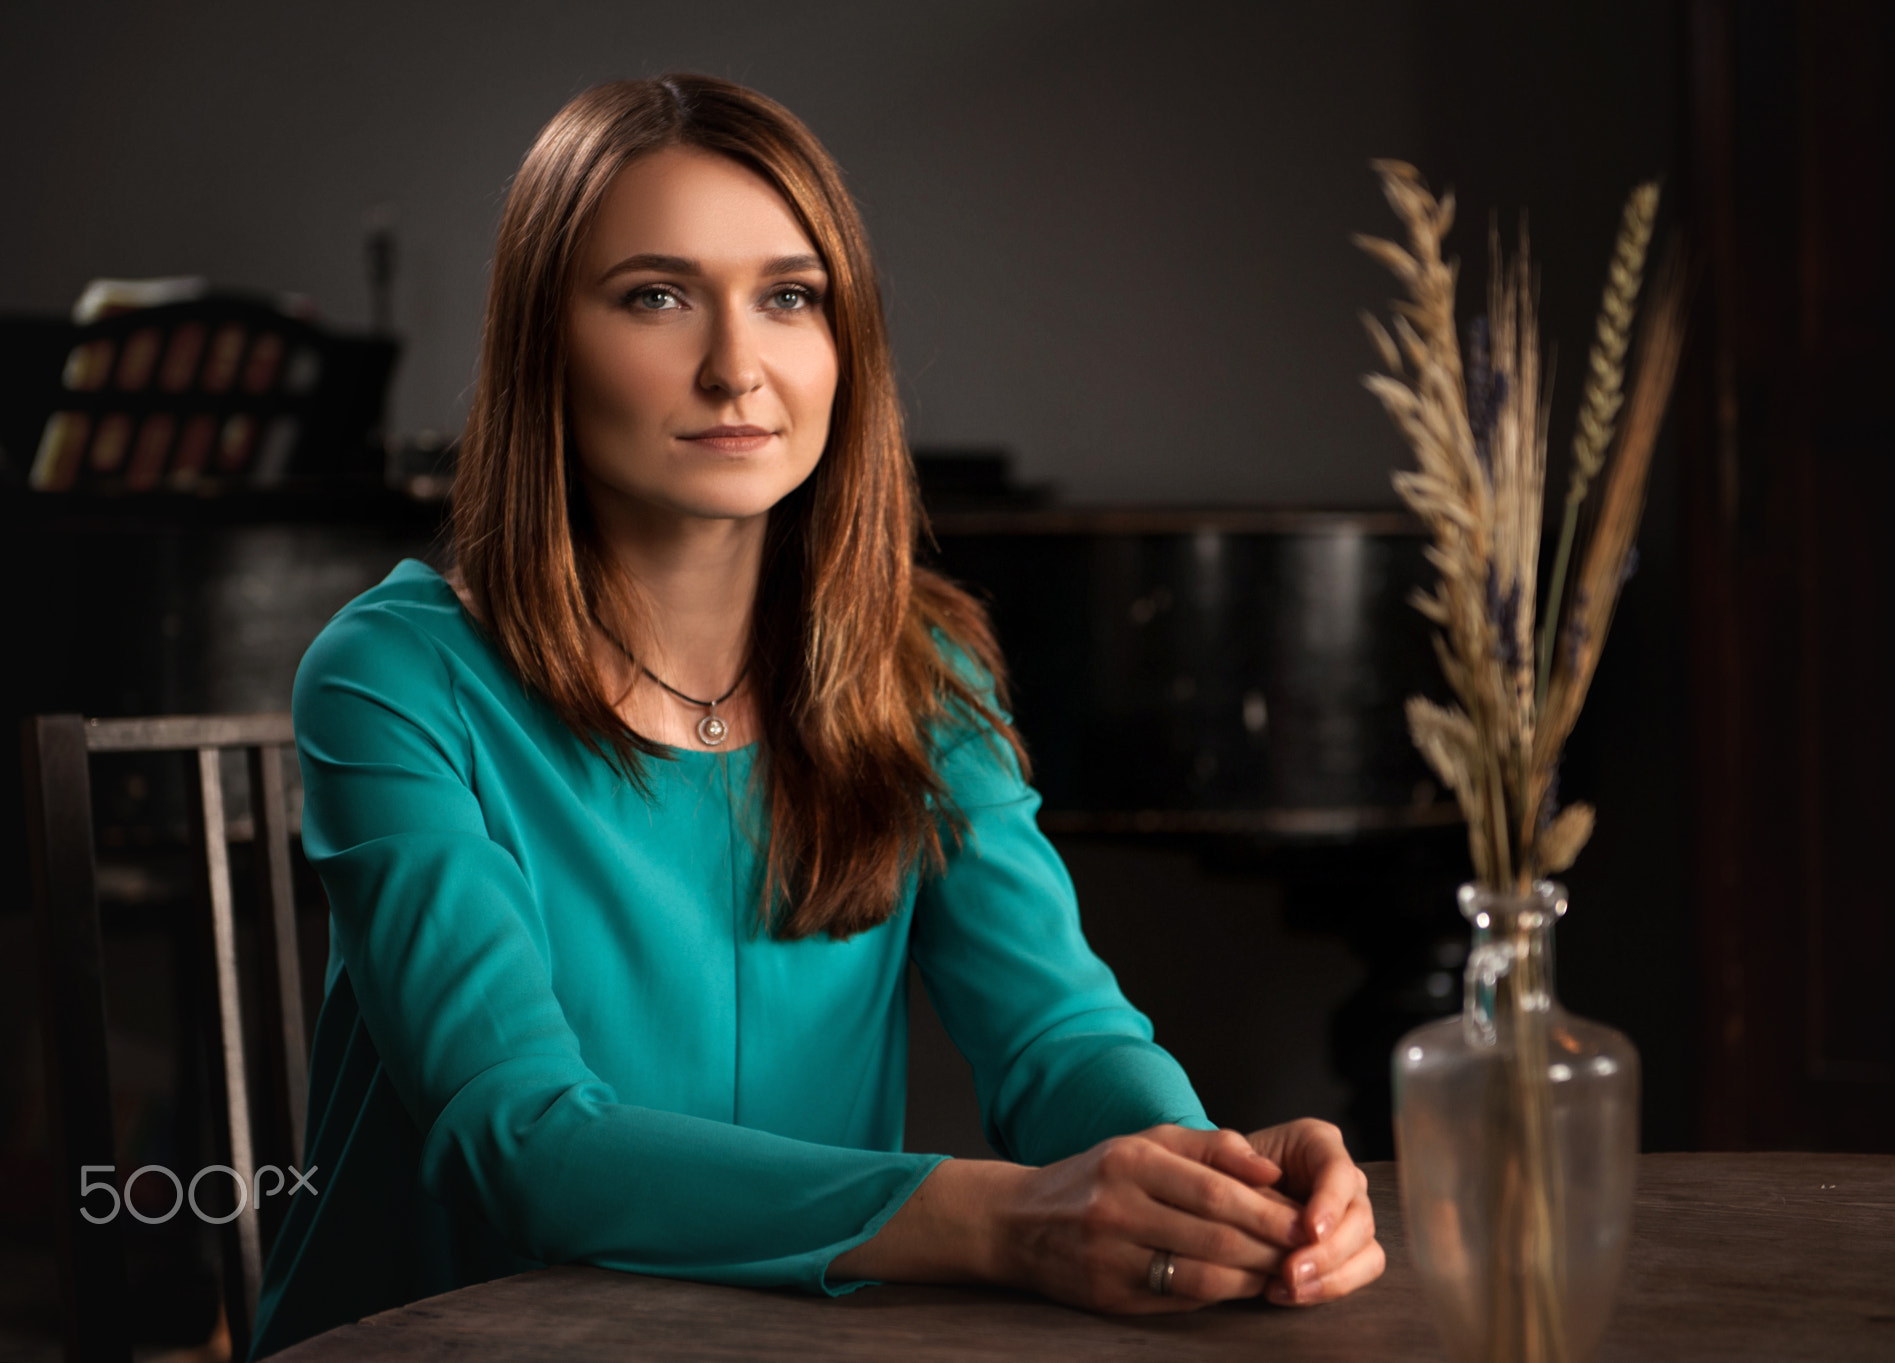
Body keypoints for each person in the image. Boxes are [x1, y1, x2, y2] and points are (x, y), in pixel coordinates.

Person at [249, 72, 1383, 1358]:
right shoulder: (393, 677)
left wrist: (1200, 1176)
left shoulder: (919, 668)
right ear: (542, 347)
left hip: (793, 1338)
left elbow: (1058, 1033)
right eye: (657, 297)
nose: (738, 367)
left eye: (789, 298)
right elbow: (524, 1143)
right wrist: (1013, 1220)